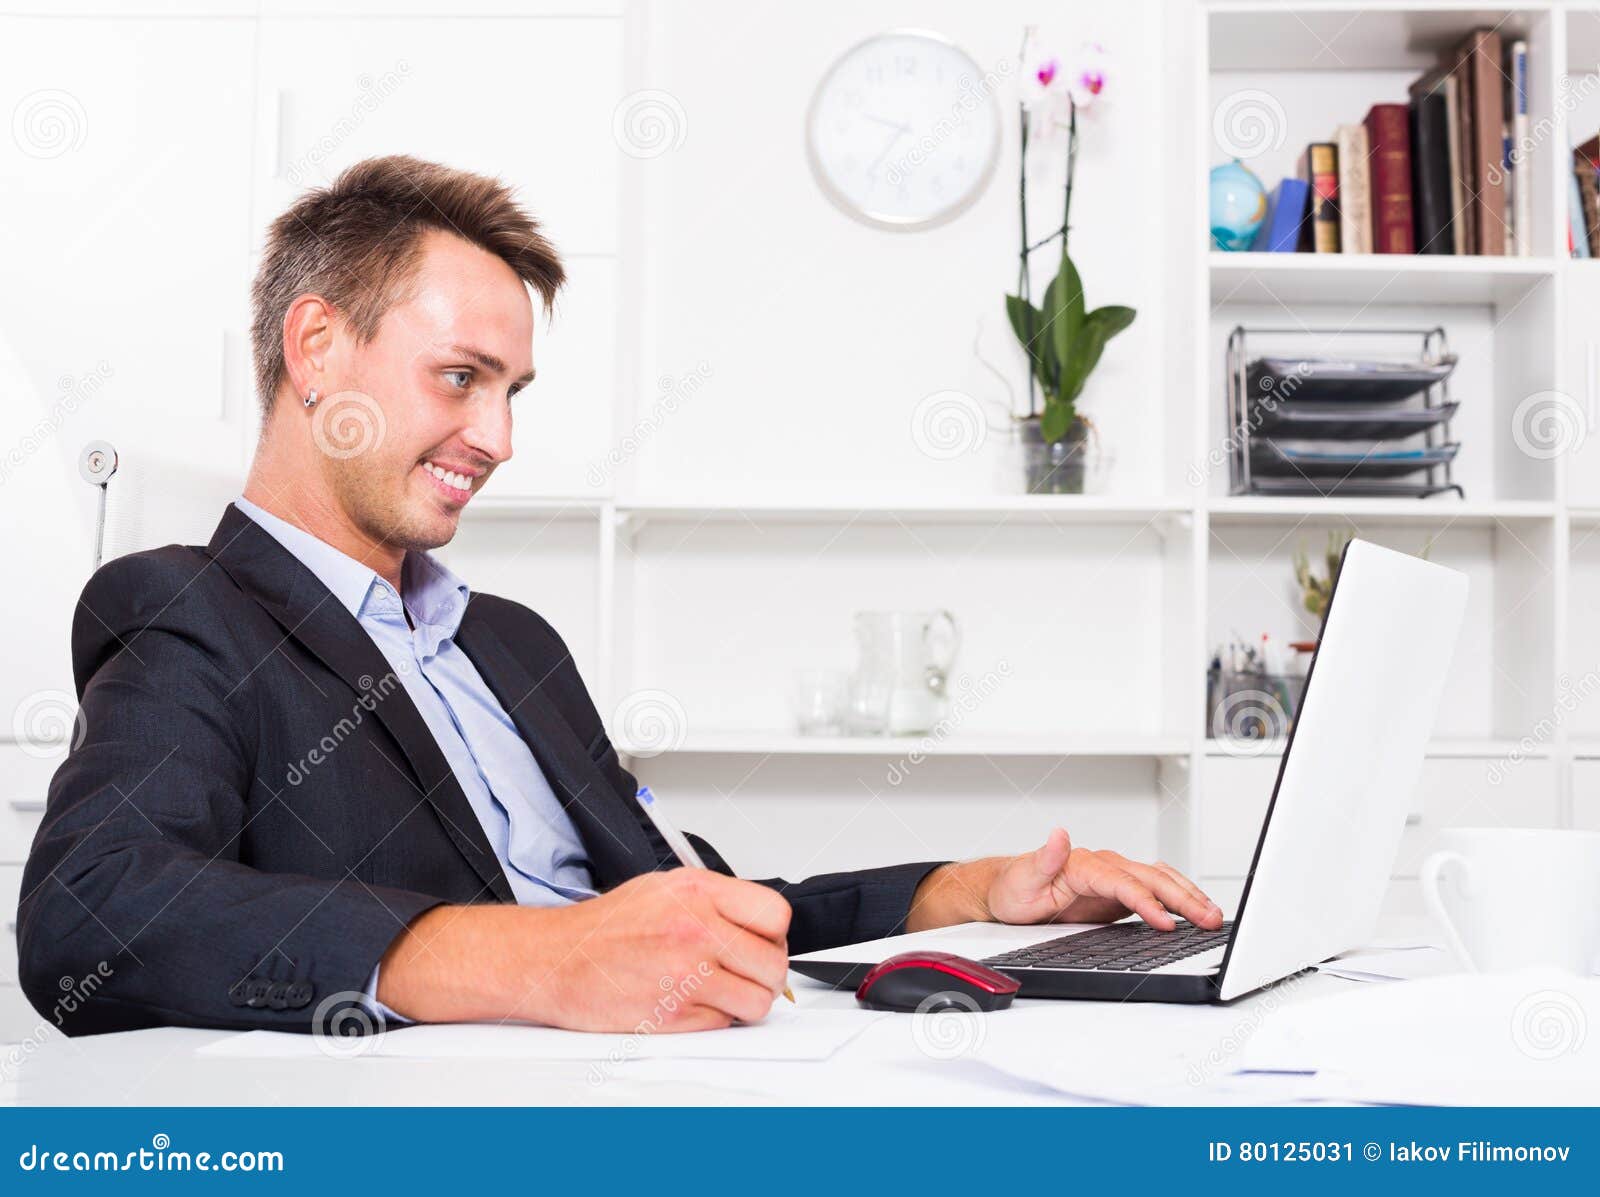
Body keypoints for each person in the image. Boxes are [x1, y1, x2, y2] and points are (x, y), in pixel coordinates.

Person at [18, 155, 1221, 1037]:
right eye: (458, 378)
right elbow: (97, 909)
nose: (494, 436)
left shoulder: (509, 642)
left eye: (513, 391)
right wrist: (534, 960)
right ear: (317, 349)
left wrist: (967, 893)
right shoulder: (187, 611)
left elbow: (684, 905)